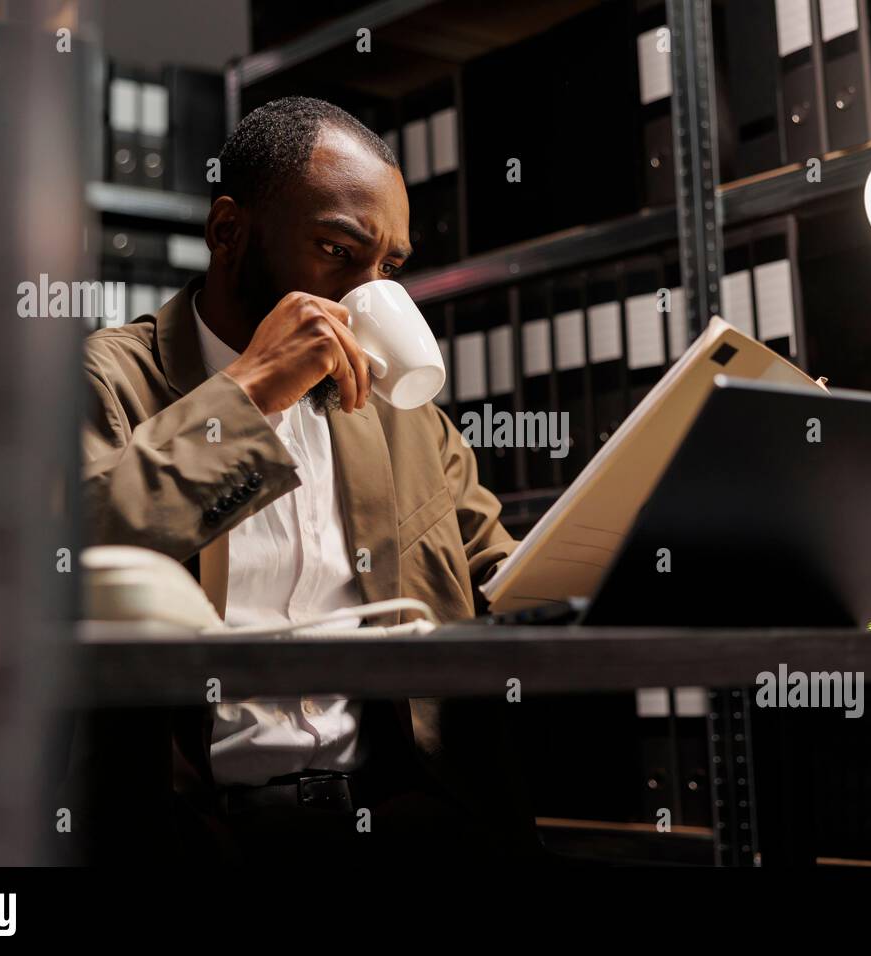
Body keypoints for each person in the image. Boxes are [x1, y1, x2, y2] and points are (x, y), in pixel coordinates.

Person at [81, 96, 539, 863]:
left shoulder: (400, 413)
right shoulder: (110, 378)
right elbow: (83, 548)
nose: (367, 295)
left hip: (391, 812)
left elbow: (507, 578)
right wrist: (250, 393)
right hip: (190, 830)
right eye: (337, 251)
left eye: (388, 268)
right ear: (229, 233)